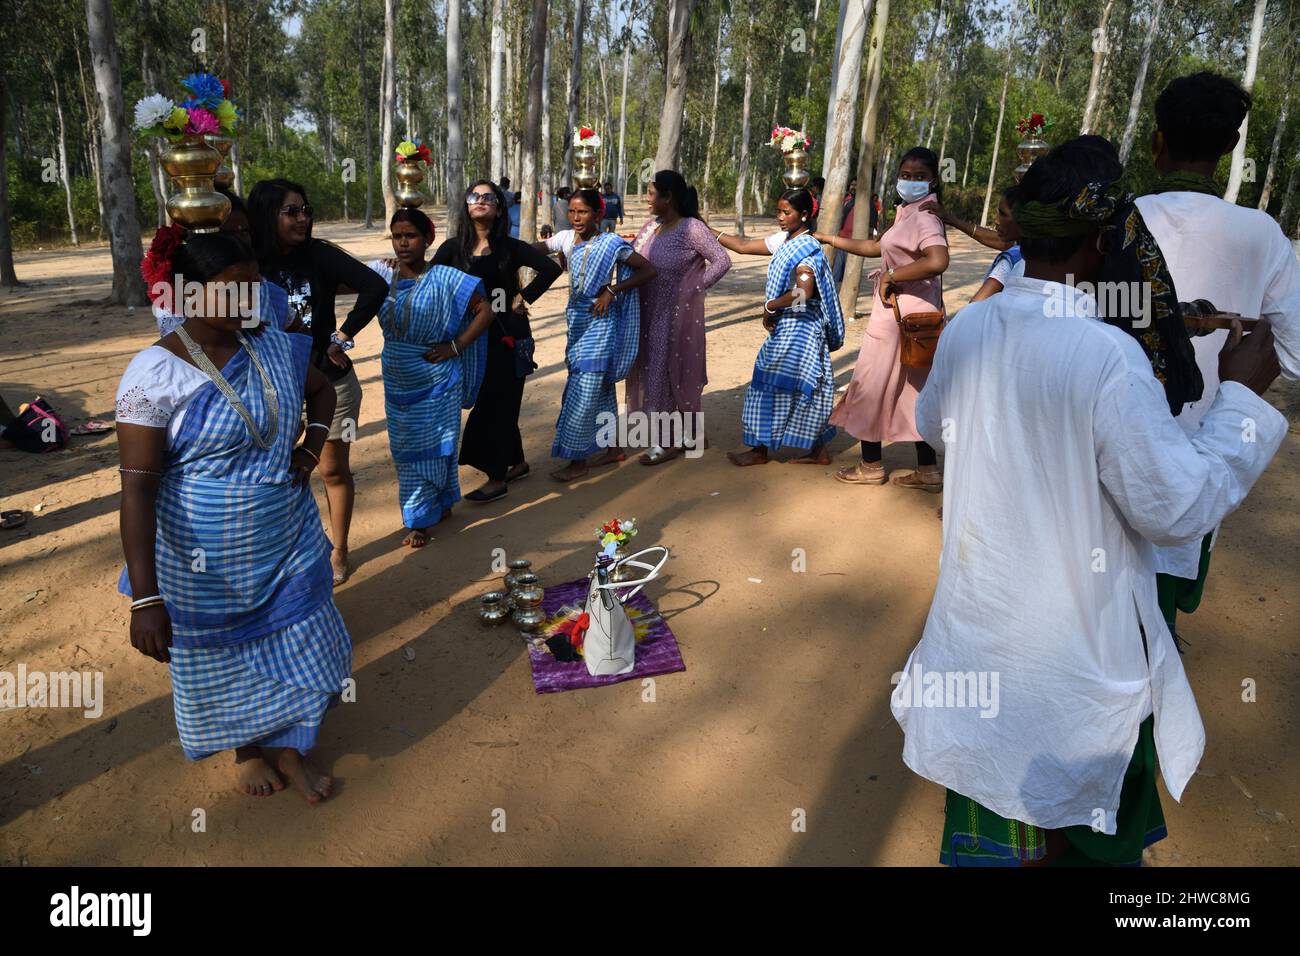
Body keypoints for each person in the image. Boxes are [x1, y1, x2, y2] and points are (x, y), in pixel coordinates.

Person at [895, 136, 1285, 866]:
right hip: (1068, 667)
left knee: (990, 814)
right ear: (1101, 244)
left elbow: (932, 426)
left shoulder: (972, 327)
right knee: (1082, 829)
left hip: (978, 638)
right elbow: (1173, 508)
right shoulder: (1107, 356)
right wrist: (1238, 401)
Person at [116, 230, 353, 805]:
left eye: (254, 287)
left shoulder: (272, 344)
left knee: (307, 635)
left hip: (285, 534)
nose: (248, 301)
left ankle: (291, 747)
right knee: (222, 659)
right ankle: (248, 750)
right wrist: (146, 599)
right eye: (231, 290)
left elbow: (323, 392)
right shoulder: (154, 375)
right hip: (203, 559)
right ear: (189, 295)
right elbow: (138, 492)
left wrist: (309, 446)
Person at [1135, 71, 1300, 641]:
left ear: (1155, 141)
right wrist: (1239, 385)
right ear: (1230, 148)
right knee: (1166, 579)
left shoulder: (1113, 224)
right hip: (1203, 447)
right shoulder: (1263, 235)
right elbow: (1294, 350)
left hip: (1109, 441)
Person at [247, 179, 387, 586]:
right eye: (291, 211)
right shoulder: (248, 263)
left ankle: (338, 549)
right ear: (266, 215)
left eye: (306, 210)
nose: (302, 218)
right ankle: (287, 553)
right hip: (269, 389)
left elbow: (374, 286)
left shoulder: (320, 255)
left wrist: (341, 338)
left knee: (331, 469)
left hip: (330, 382)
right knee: (277, 474)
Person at [815, 147, 950, 490]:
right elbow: (879, 248)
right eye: (906, 174)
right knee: (915, 392)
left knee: (870, 387)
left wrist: (894, 276)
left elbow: (938, 260)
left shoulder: (926, 217)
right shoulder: (906, 211)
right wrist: (832, 239)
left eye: (920, 176)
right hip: (912, 318)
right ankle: (928, 471)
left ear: (933, 180)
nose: (911, 181)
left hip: (899, 318)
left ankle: (871, 465)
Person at [365, 208, 493, 546]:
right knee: (406, 447)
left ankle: (418, 521)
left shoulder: (446, 278)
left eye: (410, 236)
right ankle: (440, 501)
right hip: (397, 376)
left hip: (438, 378)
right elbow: (337, 279)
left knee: (436, 446)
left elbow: (485, 311)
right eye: (397, 236)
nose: (403, 243)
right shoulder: (381, 275)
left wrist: (456, 345)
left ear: (428, 239)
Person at [432, 180, 563, 502]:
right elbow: (430, 280)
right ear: (466, 205)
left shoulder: (510, 247)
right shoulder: (453, 249)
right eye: (474, 196)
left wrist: (524, 296)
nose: (480, 201)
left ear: (499, 208)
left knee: (496, 405)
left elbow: (550, 267)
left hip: (508, 334)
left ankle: (496, 476)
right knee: (495, 400)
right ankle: (517, 462)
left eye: (488, 197)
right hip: (473, 336)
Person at [714, 187, 845, 465]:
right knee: (806, 387)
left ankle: (760, 450)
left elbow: (803, 294)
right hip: (795, 327)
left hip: (800, 330)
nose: (781, 217)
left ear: (805, 215)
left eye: (787, 212)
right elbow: (743, 245)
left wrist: (770, 306)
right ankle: (816, 451)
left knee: (767, 381)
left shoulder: (806, 250)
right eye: (779, 211)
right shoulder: (787, 241)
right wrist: (708, 230)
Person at [539, 187, 657, 482]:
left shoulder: (611, 243)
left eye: (583, 212)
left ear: (598, 214)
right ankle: (613, 447)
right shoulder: (566, 239)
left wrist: (612, 290)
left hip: (602, 321)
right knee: (601, 387)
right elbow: (536, 250)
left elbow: (648, 270)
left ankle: (577, 460)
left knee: (583, 388)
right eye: (572, 211)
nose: (577, 218)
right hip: (576, 322)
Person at [626, 170, 731, 464]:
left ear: (668, 197)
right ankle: (690, 434)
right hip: (646, 311)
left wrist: (694, 289)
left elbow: (722, 260)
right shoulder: (652, 227)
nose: (647, 199)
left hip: (674, 315)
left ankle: (666, 442)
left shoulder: (692, 228)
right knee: (653, 370)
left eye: (651, 193)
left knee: (664, 372)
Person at [924, 186, 1022, 302]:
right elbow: (999, 241)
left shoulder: (1011, 260)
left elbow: (975, 306)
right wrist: (950, 219)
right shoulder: (1036, 253)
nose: (996, 220)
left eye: (1003, 214)